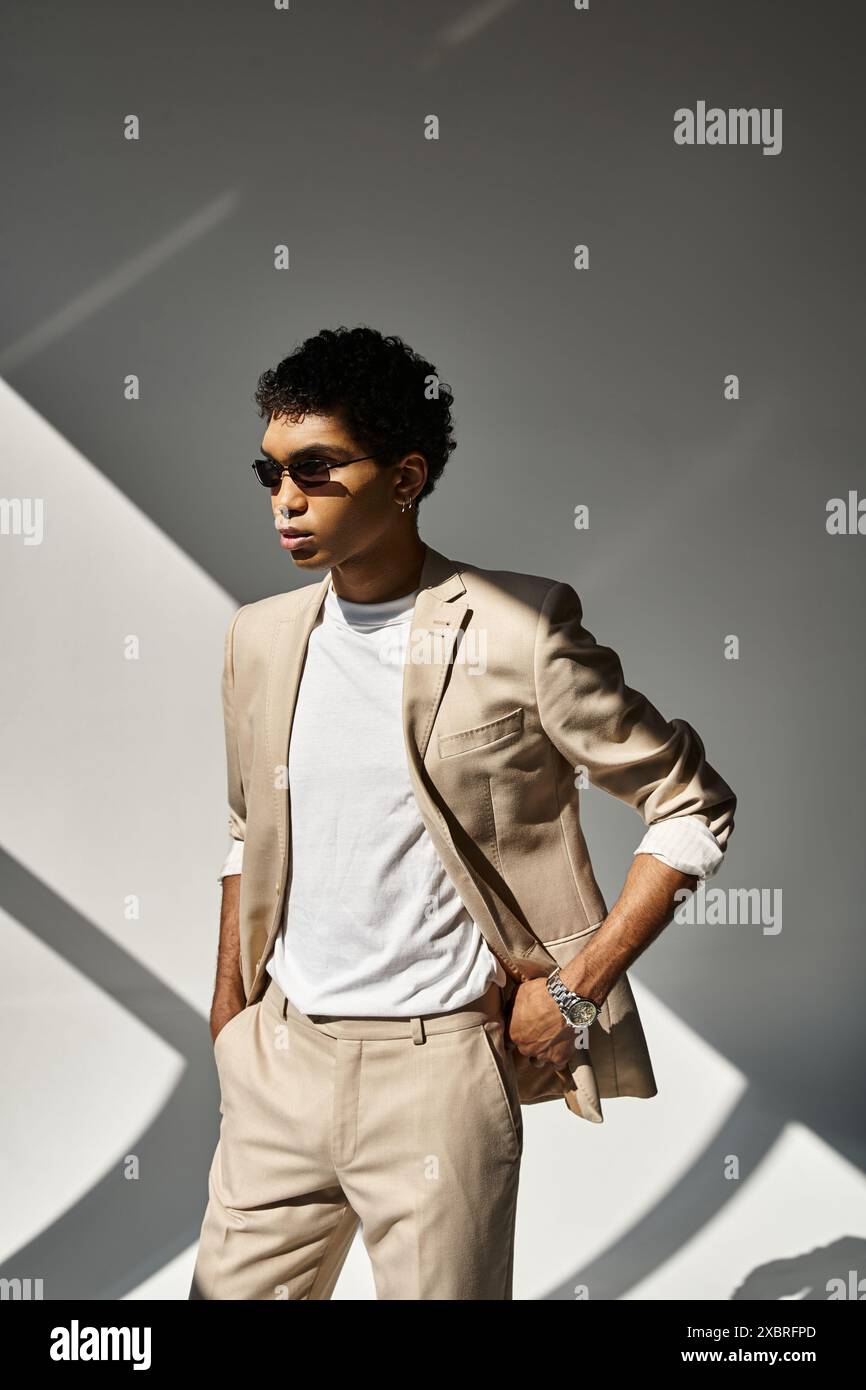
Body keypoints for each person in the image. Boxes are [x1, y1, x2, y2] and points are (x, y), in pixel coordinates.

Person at [188, 325, 736, 1300]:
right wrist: (230, 1015)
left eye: (314, 470)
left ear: (405, 476)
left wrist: (573, 990)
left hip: (436, 1077)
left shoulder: (519, 628)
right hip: (278, 1064)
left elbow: (689, 805)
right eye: (270, 471)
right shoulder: (258, 638)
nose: (284, 499)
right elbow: (246, 832)